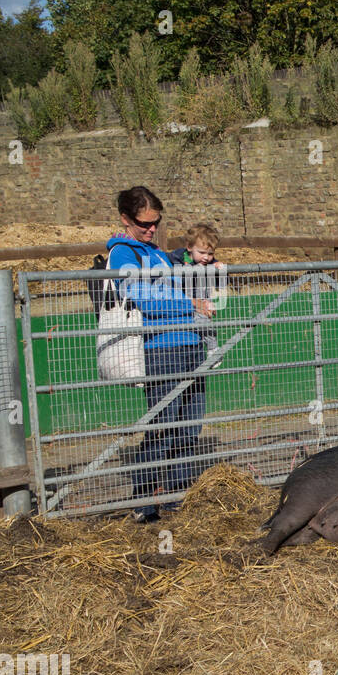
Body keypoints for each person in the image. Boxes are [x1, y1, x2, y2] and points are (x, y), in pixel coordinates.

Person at [106, 186, 215, 523]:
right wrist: (189, 303)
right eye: (144, 224)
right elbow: (143, 296)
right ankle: (144, 500)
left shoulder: (157, 253)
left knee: (189, 425)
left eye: (156, 223)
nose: (152, 229)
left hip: (190, 343)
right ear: (126, 220)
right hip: (161, 348)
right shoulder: (124, 254)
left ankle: (177, 496)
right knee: (163, 426)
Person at [168, 223, 224, 354]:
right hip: (187, 299)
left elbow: (220, 282)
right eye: (202, 252)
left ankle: (211, 349)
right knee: (203, 323)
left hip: (204, 297)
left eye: (210, 253)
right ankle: (212, 349)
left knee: (206, 324)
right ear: (189, 247)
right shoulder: (178, 258)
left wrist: (219, 269)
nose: (206, 257)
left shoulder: (210, 262)